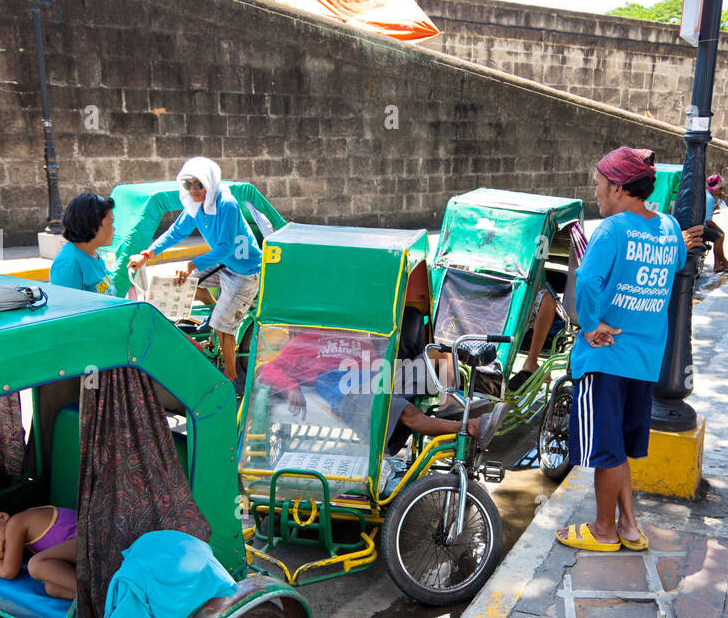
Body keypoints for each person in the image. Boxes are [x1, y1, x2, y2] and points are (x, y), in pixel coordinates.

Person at [556, 147, 704, 552]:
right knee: (618, 444)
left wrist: (591, 325)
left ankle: (604, 530)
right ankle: (629, 526)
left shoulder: (612, 229)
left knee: (604, 450)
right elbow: (675, 264)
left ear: (619, 187)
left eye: (600, 185)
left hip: (605, 355)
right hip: (644, 361)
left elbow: (586, 282)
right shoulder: (669, 227)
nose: (597, 193)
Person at [257, 327, 509, 454]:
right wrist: (291, 386)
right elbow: (266, 370)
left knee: (440, 354)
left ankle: (449, 406)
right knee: (408, 412)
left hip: (377, 374)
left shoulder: (359, 332)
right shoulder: (304, 340)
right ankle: (469, 427)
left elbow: (377, 360)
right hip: (343, 386)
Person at [128, 158, 261, 380]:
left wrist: (191, 265)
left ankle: (229, 375)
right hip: (224, 264)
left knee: (222, 324)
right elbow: (175, 233)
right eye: (187, 184)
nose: (193, 190)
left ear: (209, 182)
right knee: (188, 285)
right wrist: (147, 254)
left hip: (244, 271)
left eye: (198, 184)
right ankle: (222, 312)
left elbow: (226, 247)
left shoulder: (226, 204)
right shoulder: (195, 205)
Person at [0, 506, 77, 599]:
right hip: (77, 552)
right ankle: (89, 596)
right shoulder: (21, 539)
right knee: (52, 588)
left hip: (89, 538)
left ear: (1, 517)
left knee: (36, 565)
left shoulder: (16, 522)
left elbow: (8, 571)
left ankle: (91, 592)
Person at [49, 192, 117, 295]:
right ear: (93, 226)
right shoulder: (68, 264)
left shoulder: (92, 254)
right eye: (111, 223)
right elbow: (69, 308)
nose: (114, 229)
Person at [704, 173, 728, 274]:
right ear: (716, 188)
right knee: (719, 236)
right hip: (702, 226)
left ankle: (717, 264)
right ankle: (725, 262)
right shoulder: (709, 199)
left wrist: (719, 201)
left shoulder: (707, 194)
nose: (722, 191)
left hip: (701, 224)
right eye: (721, 188)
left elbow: (709, 211)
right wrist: (720, 230)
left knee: (718, 235)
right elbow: (708, 221)